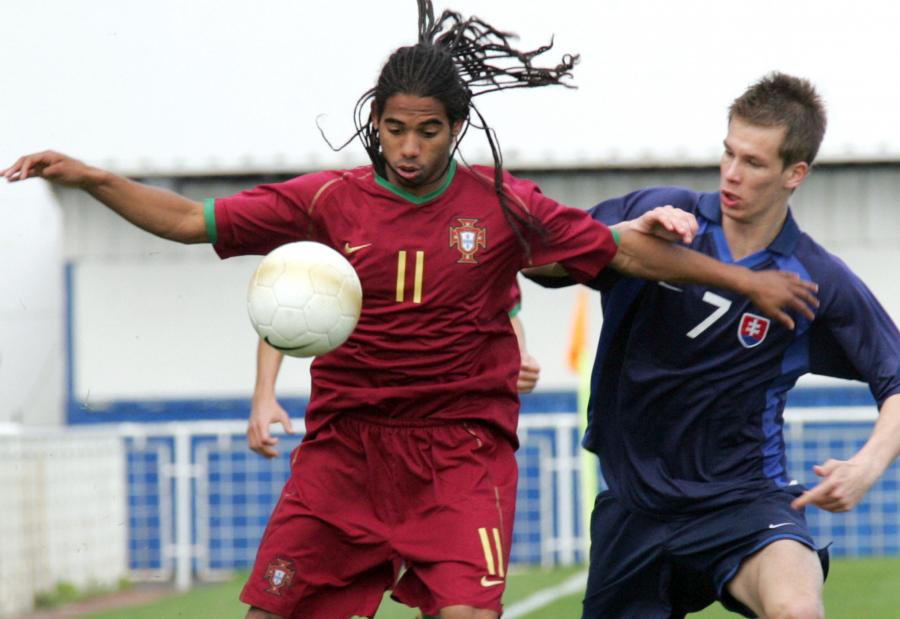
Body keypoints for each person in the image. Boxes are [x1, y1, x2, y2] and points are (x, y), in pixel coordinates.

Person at [1, 1, 818, 615]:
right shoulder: (328, 199)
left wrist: (747, 281)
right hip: (344, 454)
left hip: (460, 454)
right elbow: (188, 220)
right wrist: (93, 178)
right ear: (377, 126)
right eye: (396, 129)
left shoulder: (504, 204)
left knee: (466, 611)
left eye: (428, 130)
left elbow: (621, 249)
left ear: (456, 128)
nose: (411, 147)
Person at [529, 72, 900, 619]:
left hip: (744, 503)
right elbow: (537, 258)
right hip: (634, 508)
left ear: (794, 173)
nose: (731, 174)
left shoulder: (814, 277)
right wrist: (622, 237)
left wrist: (869, 465)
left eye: (754, 163)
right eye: (729, 153)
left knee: (797, 609)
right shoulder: (662, 216)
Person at [248, 281, 540, 459]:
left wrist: (520, 356)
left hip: (449, 437)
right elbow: (284, 309)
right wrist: (263, 397)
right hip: (354, 435)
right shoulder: (343, 218)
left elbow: (507, 313)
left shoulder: (481, 229)